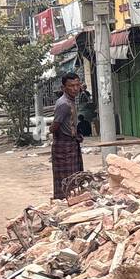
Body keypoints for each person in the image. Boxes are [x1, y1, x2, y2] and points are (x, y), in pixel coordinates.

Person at [50, 72, 85, 200]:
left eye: (77, 85)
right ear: (63, 88)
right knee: (66, 177)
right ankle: (64, 200)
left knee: (74, 175)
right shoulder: (64, 104)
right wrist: (51, 130)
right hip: (64, 146)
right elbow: (55, 125)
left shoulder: (71, 101)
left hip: (71, 144)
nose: (75, 88)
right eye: (71, 86)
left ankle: (73, 199)